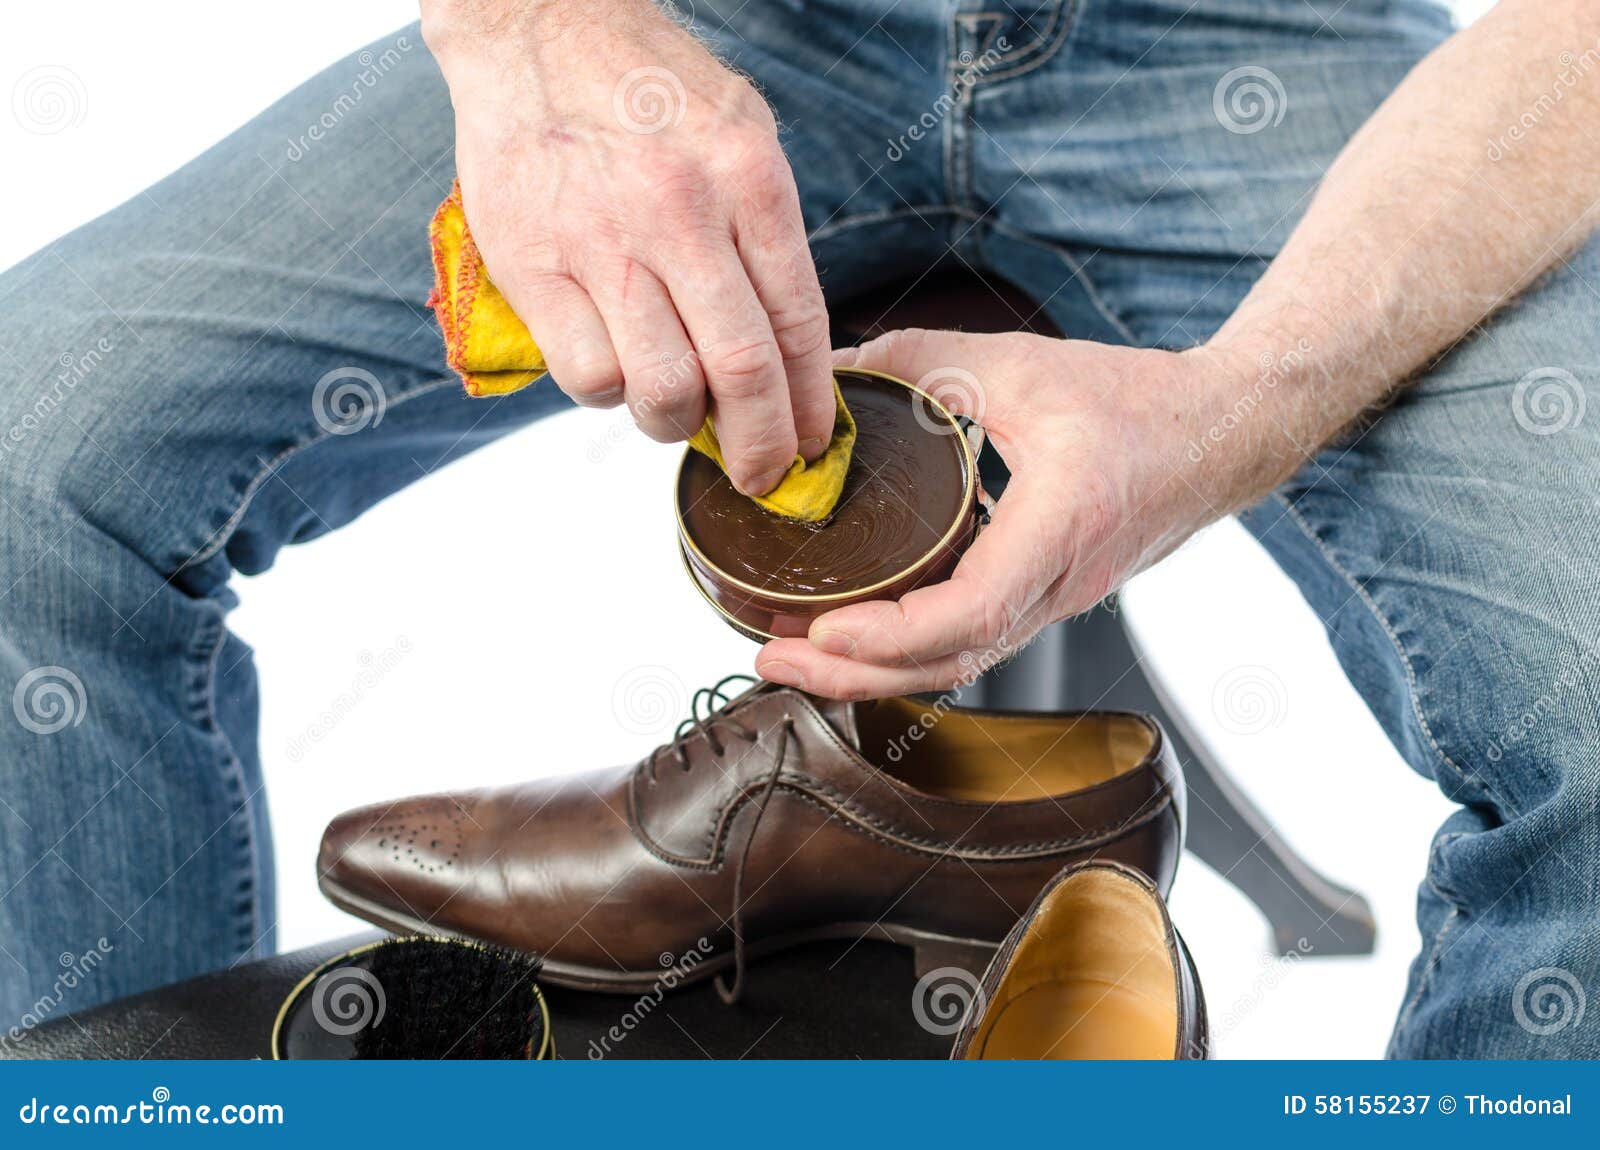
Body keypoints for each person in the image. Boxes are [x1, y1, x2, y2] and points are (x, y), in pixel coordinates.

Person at [1, 0, 1596, 1057]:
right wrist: (538, 38)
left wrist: (1231, 403)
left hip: (1271, 43)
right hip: (719, 23)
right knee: (28, 467)